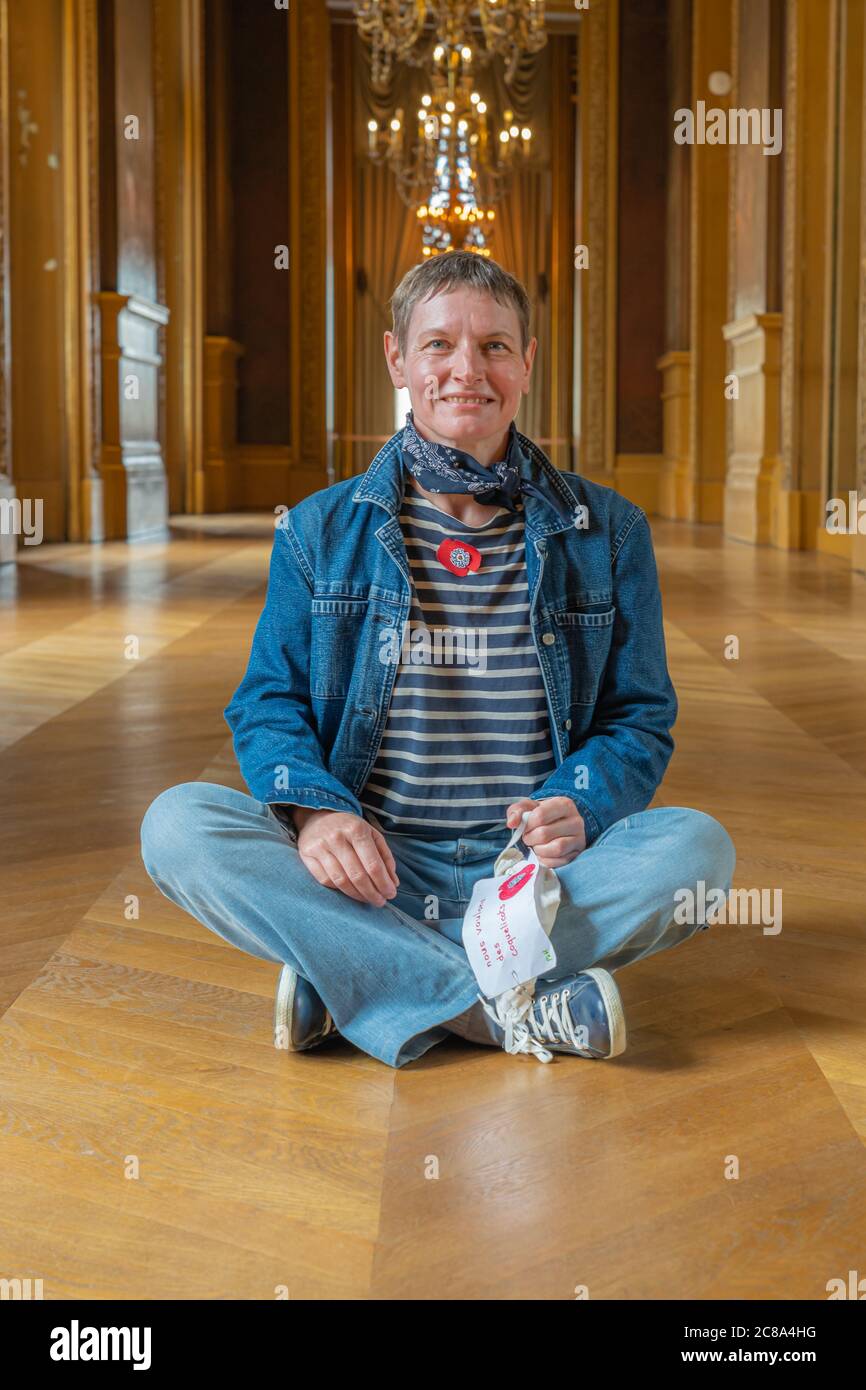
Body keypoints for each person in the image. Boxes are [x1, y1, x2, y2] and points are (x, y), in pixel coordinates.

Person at [140, 251, 735, 1069]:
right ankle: (503, 1009)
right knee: (177, 826)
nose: (467, 371)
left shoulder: (611, 531)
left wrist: (583, 803)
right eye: (439, 346)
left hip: (530, 879)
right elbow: (267, 702)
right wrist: (316, 812)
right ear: (397, 358)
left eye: (494, 346)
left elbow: (640, 715)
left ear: (528, 361)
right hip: (374, 870)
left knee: (697, 850)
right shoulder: (318, 530)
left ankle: (359, 977)